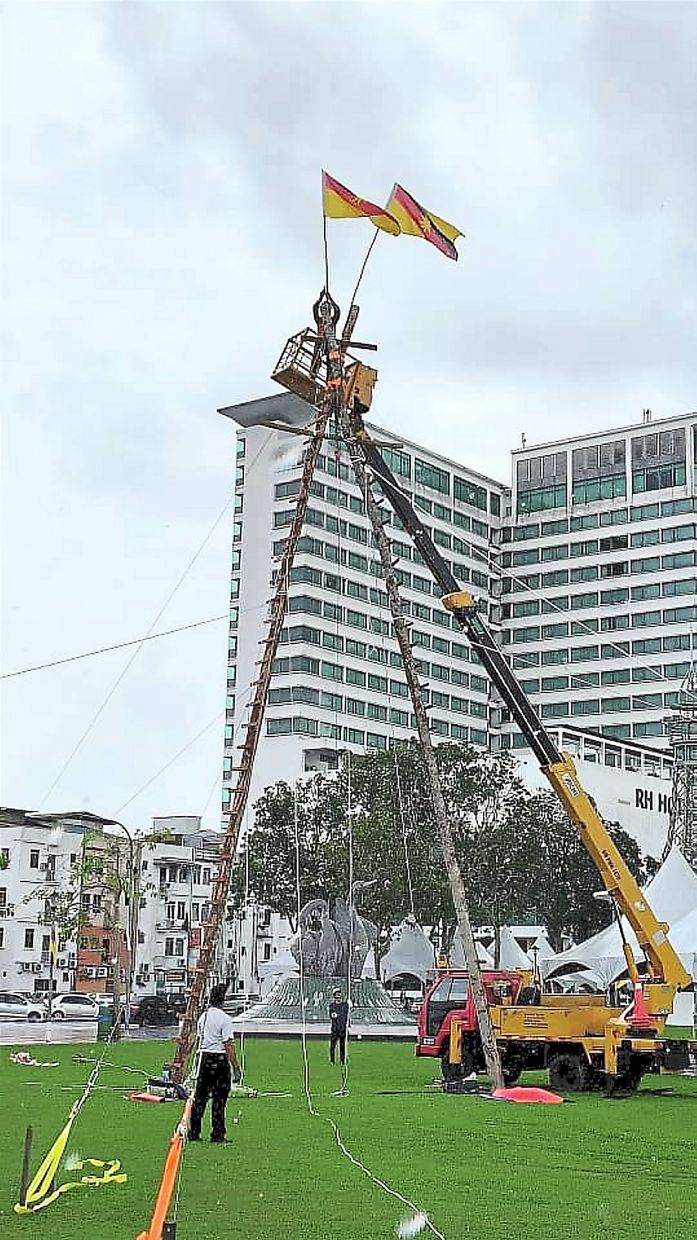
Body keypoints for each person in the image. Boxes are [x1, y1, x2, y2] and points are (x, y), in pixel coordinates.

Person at [189, 983, 241, 1144]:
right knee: (219, 1099)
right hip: (219, 1060)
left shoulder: (203, 1017)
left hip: (205, 1059)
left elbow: (198, 1040)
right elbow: (228, 1045)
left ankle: (194, 1131)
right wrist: (236, 1067)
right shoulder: (225, 1019)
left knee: (200, 1097)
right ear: (223, 1000)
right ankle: (217, 1133)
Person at [329, 988, 348, 1065]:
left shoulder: (345, 1005)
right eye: (337, 994)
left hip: (342, 1028)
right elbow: (332, 1015)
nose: (339, 995)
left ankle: (342, 1060)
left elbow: (347, 1014)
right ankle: (332, 1060)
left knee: (342, 1046)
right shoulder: (332, 1005)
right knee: (333, 1045)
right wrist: (334, 1015)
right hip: (335, 1028)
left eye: (339, 994)